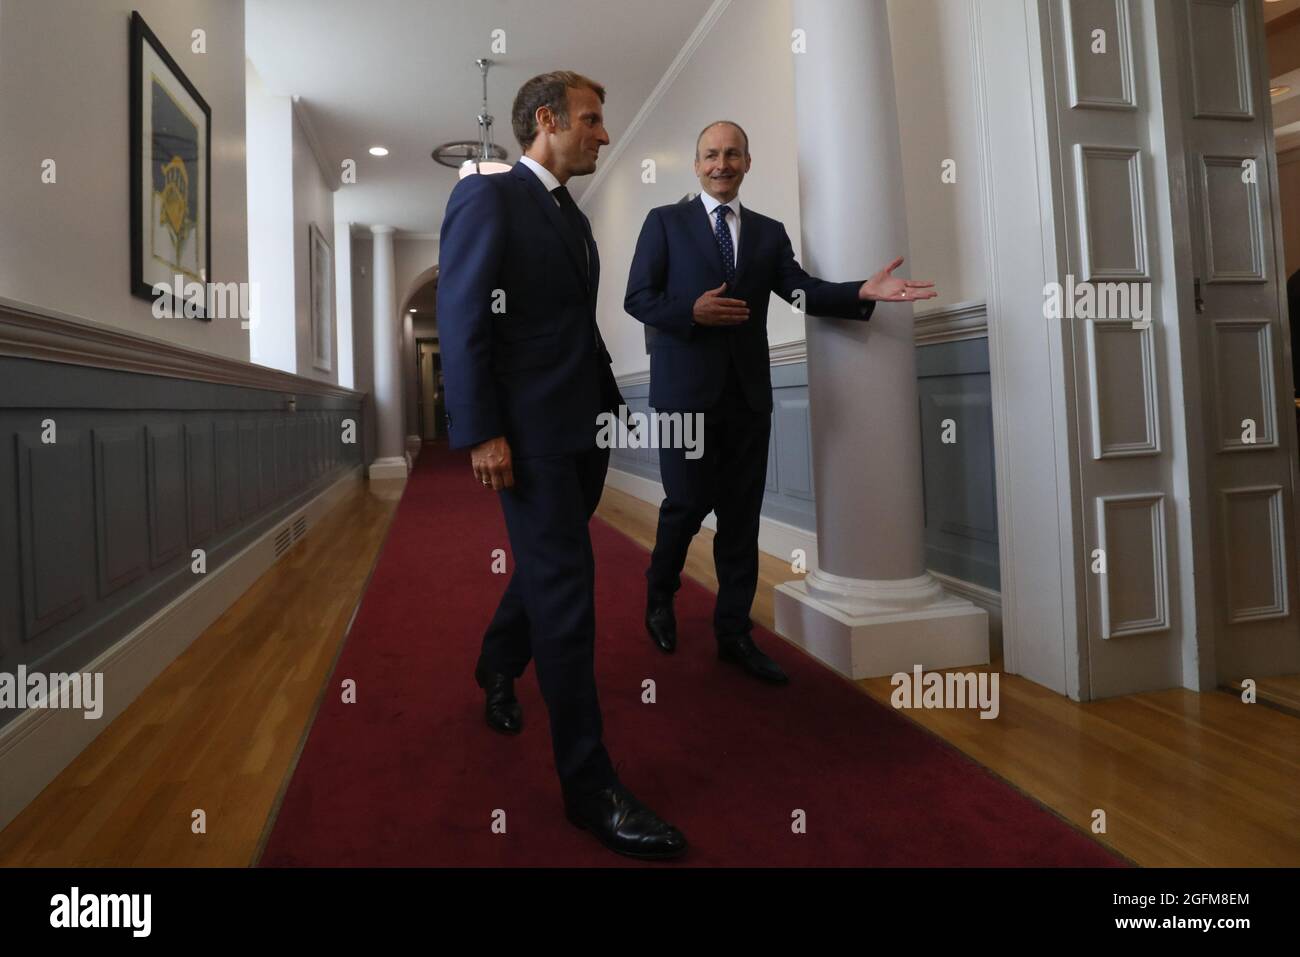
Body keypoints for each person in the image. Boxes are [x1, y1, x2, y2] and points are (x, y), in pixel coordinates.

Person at [437, 71, 686, 860]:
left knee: (551, 568)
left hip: (585, 426)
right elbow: (462, 315)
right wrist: (482, 431)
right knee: (568, 593)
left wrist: (609, 405)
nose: (603, 134)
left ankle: (496, 660)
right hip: (528, 437)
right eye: (591, 119)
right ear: (546, 120)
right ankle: (589, 787)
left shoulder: (570, 215)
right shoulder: (488, 195)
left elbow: (571, 322)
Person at [624, 120, 936, 684]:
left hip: (747, 399)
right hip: (683, 400)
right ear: (696, 165)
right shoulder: (664, 222)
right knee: (685, 506)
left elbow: (801, 291)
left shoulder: (768, 234)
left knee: (741, 520)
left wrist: (860, 291)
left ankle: (733, 633)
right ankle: (659, 596)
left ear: (747, 162)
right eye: (711, 155)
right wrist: (690, 312)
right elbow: (638, 297)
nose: (721, 164)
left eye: (732, 154)